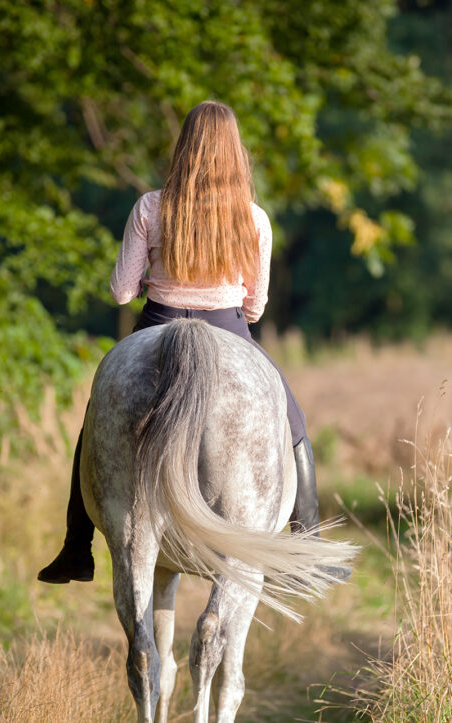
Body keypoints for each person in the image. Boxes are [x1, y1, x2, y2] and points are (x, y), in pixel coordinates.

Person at [37, 100, 341, 584]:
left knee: (97, 418)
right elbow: (255, 308)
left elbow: (120, 292)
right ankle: (307, 540)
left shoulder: (150, 207)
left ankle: (76, 547)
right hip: (228, 327)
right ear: (236, 152)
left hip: (156, 322)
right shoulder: (253, 219)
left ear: (184, 147)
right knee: (291, 417)